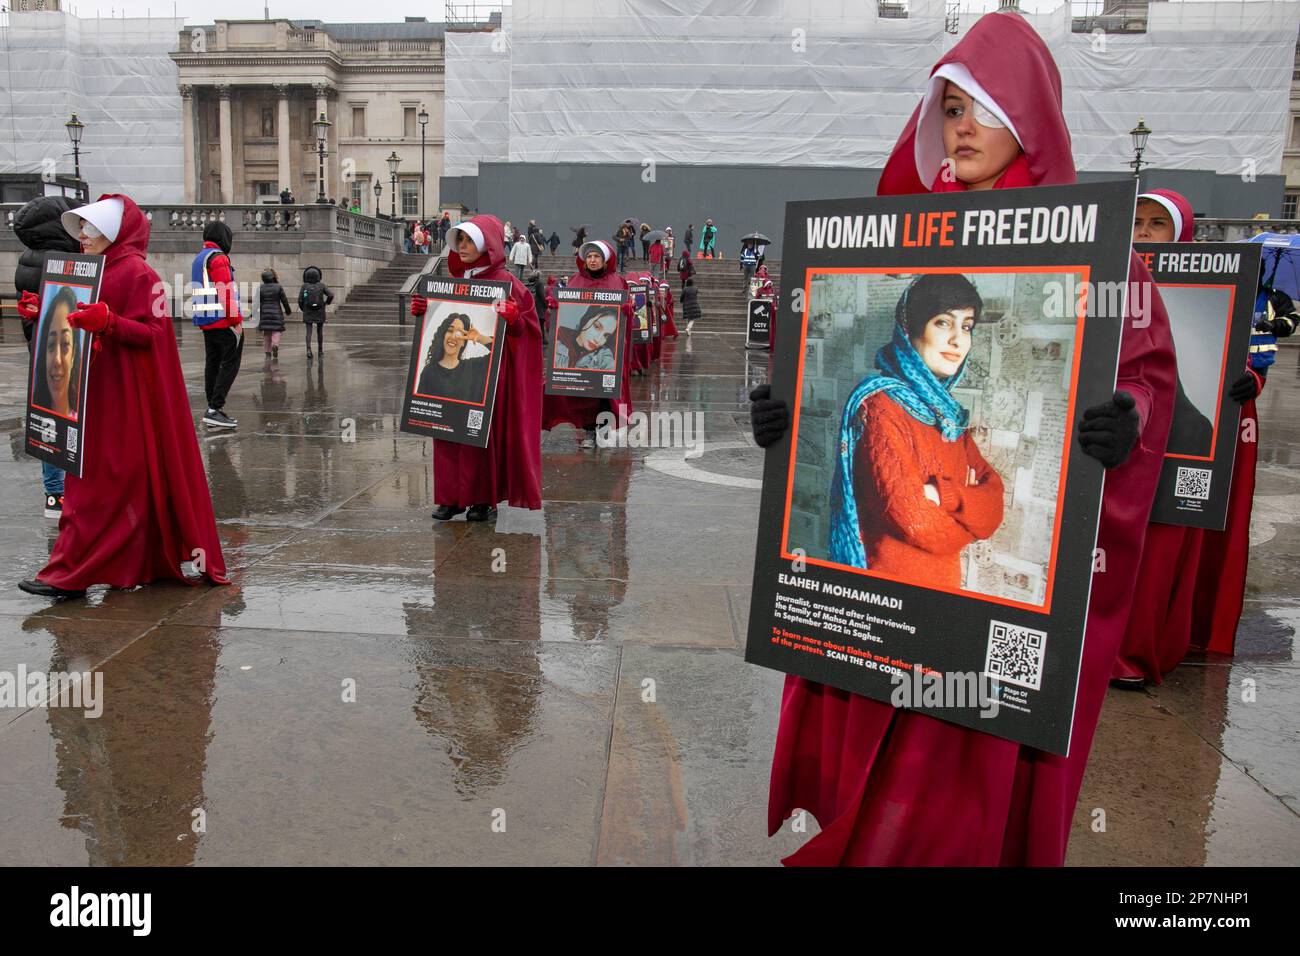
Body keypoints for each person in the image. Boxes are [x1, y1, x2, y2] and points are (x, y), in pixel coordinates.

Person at [751, 11, 1176, 866]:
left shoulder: (1100, 252)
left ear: (1029, 119)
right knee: (878, 746)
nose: (962, 127)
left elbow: (1145, 375)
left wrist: (1127, 420)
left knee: (964, 771)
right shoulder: (894, 236)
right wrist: (785, 416)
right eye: (949, 108)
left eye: (982, 107)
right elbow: (874, 465)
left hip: (985, 614)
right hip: (887, 598)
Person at [18, 194, 228, 599]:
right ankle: (81, 566)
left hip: (124, 394)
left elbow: (154, 335)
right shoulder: (90, 270)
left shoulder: (140, 275)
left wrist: (111, 323)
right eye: (82, 229)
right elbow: (73, 321)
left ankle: (71, 571)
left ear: (114, 233)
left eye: (92, 229)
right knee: (89, 478)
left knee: (102, 481)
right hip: (89, 390)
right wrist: (44, 314)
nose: (82, 236)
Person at [828, 275, 1004, 588]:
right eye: (942, 323)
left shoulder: (948, 415)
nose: (957, 340)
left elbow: (995, 506)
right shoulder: (880, 408)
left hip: (945, 588)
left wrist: (941, 496)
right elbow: (916, 522)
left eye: (966, 326)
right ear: (910, 330)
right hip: (888, 595)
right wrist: (970, 521)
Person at [1190, 256, 1297, 656]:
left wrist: (1271, 332)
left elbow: (1287, 325)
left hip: (1235, 386)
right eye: (1141, 224)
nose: (1146, 232)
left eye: (1158, 223)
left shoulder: (1272, 296)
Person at [409, 215, 542, 521]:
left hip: (487, 378)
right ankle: (451, 497)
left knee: (479, 435)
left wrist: (515, 318)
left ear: (488, 244)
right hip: (448, 378)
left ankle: (483, 499)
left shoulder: (510, 284)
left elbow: (531, 331)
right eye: (460, 241)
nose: (463, 246)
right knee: (446, 431)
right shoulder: (457, 281)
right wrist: (425, 310)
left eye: (469, 240)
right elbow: (440, 324)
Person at [12, 194, 81, 518]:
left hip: (40, 345)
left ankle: (54, 493)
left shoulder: (29, 256)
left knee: (52, 416)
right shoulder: (65, 258)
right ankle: (64, 489)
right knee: (67, 414)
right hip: (66, 345)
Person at [542, 240, 634, 450]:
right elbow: (566, 312)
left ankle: (600, 431)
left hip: (605, 354)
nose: (592, 260)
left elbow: (623, 320)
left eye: (597, 257)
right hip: (578, 355)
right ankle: (589, 430)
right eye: (589, 256)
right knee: (582, 395)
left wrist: (628, 308)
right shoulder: (576, 280)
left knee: (603, 393)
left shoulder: (617, 281)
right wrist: (556, 306)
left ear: (605, 260)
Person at [191, 220, 246, 429]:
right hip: (223, 319)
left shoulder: (199, 258)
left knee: (212, 363)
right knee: (230, 363)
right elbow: (226, 291)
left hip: (205, 319)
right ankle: (215, 408)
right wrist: (236, 320)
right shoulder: (219, 258)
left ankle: (212, 408)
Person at [416, 311, 494, 402]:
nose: (453, 336)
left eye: (459, 333)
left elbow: (500, 353)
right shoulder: (429, 371)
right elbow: (420, 406)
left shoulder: (473, 367)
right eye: (450, 330)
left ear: (463, 342)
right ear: (443, 336)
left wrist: (479, 337)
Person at [298, 266, 334, 361]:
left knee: (308, 331)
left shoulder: (304, 286)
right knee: (319, 331)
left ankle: (308, 350)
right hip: (320, 311)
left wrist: (303, 309)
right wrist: (326, 303)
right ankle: (320, 350)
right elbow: (331, 294)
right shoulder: (321, 286)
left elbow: (301, 299)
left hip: (308, 311)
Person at [257, 268, 292, 361]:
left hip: (264, 314)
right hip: (276, 313)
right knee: (276, 331)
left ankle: (267, 352)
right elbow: (284, 300)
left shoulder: (260, 288)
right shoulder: (278, 287)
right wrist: (288, 310)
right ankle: (275, 345)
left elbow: (256, 302)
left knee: (267, 333)